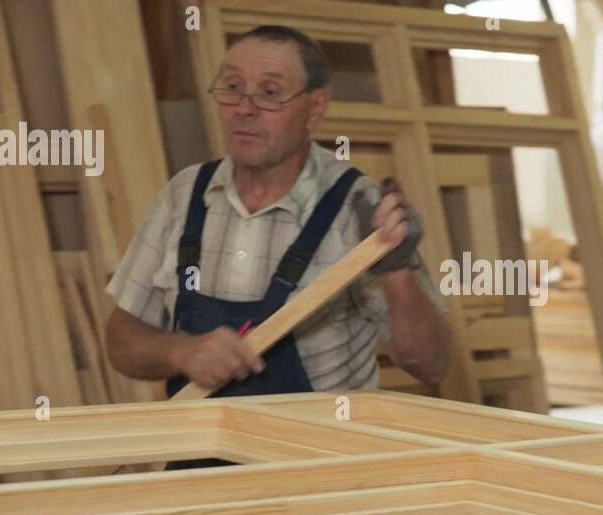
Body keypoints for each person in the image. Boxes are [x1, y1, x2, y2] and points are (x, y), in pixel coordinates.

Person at [104, 26, 450, 465]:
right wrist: (181, 351)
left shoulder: (358, 208)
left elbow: (431, 365)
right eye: (232, 88)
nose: (245, 109)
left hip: (317, 477)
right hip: (196, 480)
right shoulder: (184, 195)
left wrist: (396, 268)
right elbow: (120, 340)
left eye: (269, 93)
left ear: (315, 107)